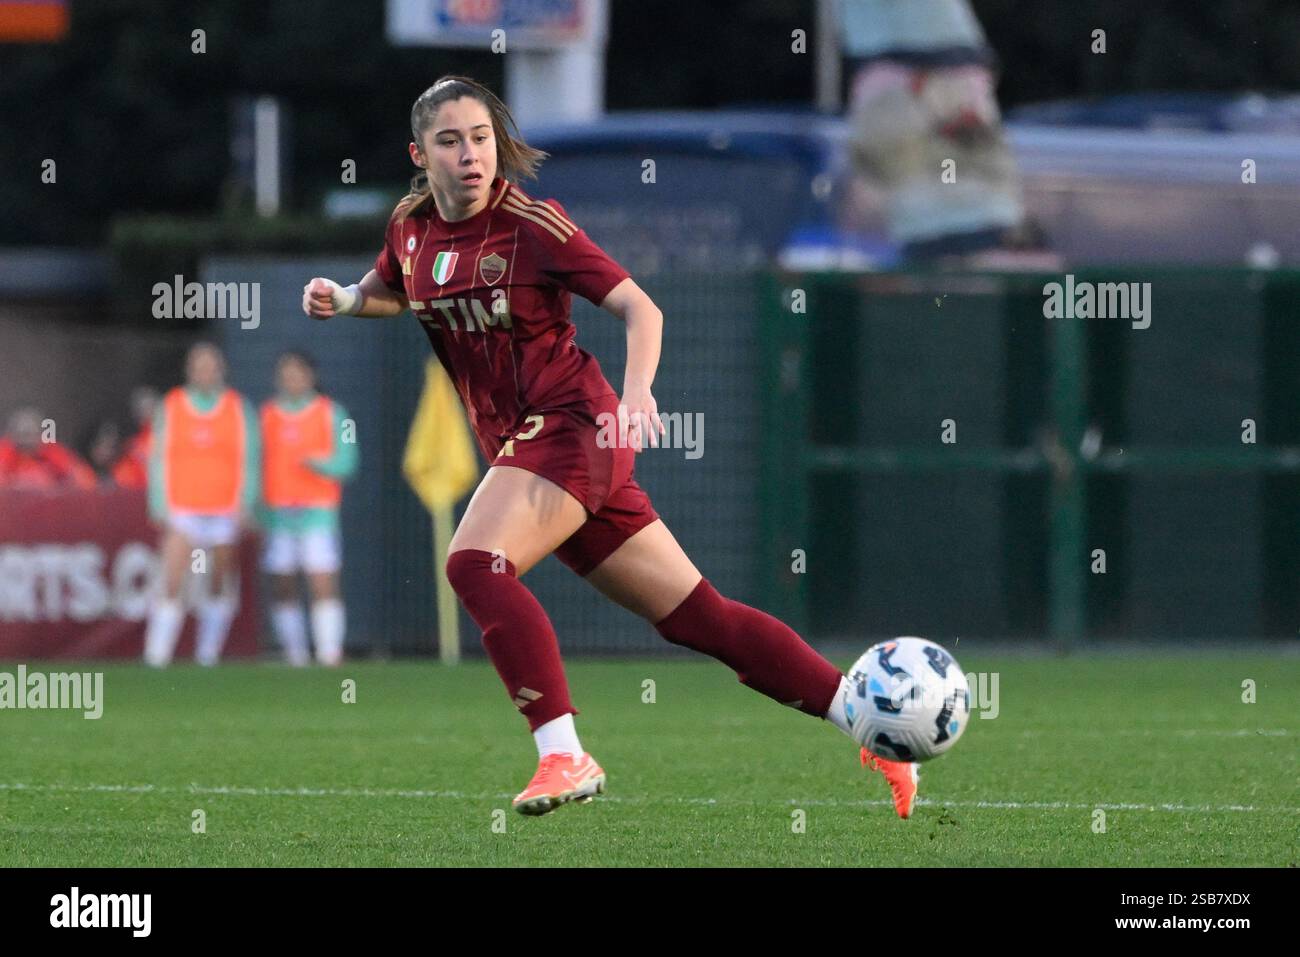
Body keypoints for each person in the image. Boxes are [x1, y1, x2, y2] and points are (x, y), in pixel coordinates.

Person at [301, 76, 919, 818]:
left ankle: (563, 752)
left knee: (474, 563)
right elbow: (395, 284)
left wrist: (636, 396)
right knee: (702, 619)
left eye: (481, 138)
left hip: (572, 425)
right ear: (419, 152)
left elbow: (638, 305)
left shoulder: (531, 223)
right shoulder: (411, 225)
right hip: (535, 448)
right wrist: (344, 298)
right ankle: (871, 725)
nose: (470, 154)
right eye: (450, 140)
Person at [143, 342, 259, 668]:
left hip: (224, 508)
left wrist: (245, 503)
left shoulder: (237, 408)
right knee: (174, 577)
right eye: (199, 366)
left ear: (221, 370)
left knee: (219, 579)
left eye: (211, 366)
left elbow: (249, 458)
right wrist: (158, 503)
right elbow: (158, 457)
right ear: (189, 371)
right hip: (183, 506)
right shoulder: (173, 405)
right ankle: (157, 655)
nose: (205, 372)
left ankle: (208, 654)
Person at [259, 350, 357, 666]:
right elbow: (253, 464)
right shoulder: (267, 415)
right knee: (283, 584)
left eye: (297, 372)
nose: (292, 379)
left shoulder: (333, 413)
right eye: (286, 373)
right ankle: (295, 655)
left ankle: (329, 654)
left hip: (318, 513)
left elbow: (348, 461)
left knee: (322, 580)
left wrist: (319, 464)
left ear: (310, 375)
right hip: (277, 516)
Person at [0, 406, 96, 490]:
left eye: (32, 433)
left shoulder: (54, 454)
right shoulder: (4, 455)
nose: (26, 439)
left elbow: (86, 483)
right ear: (11, 434)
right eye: (22, 433)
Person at [110, 386, 159, 489]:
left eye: (151, 407)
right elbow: (123, 478)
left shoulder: (175, 438)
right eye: (143, 409)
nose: (148, 412)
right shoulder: (133, 447)